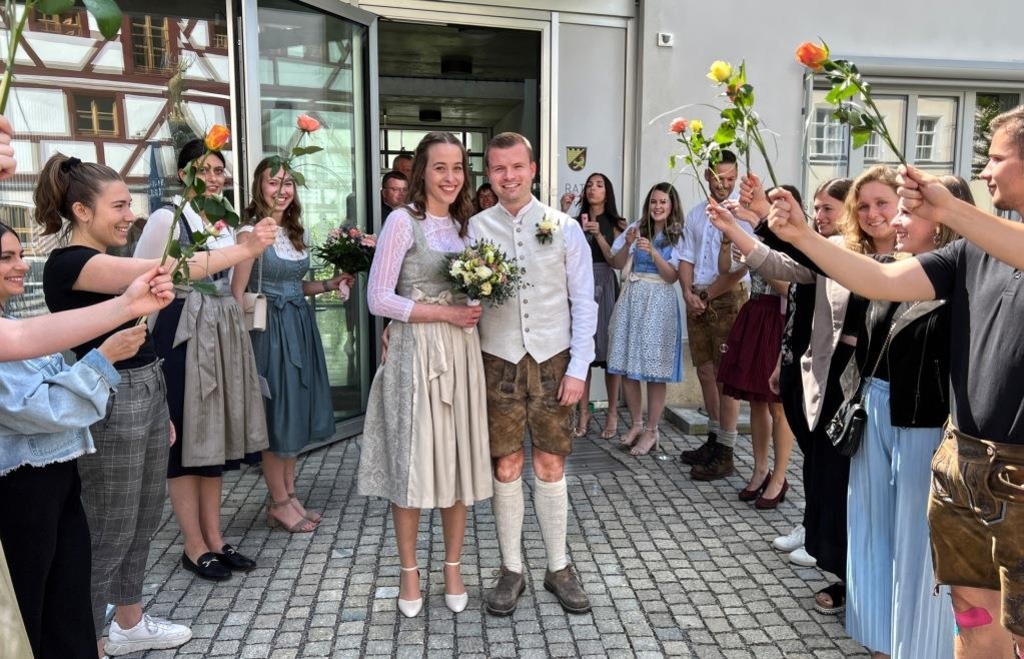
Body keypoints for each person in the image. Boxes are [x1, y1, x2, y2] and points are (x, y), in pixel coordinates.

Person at [768, 105, 1024, 659]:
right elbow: (879, 279)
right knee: (972, 617)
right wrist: (802, 238)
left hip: (1020, 476)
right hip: (966, 461)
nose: (985, 170)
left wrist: (950, 205)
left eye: (996, 158)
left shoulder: (985, 238)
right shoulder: (968, 254)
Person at [36, 152, 273, 657]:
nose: (129, 215)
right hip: (108, 399)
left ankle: (129, 621)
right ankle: (90, 637)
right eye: (118, 205)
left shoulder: (99, 258)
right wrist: (245, 247)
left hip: (145, 386)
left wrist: (160, 405)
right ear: (81, 211)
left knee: (143, 517)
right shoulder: (72, 263)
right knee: (109, 522)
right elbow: (173, 267)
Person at [723, 167, 897, 618]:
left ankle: (880, 583)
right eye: (865, 206)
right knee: (833, 479)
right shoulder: (840, 250)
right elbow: (785, 261)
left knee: (874, 488)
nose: (872, 214)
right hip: (839, 376)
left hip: (890, 383)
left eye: (882, 204)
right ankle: (846, 575)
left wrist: (762, 216)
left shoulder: (916, 255)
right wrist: (752, 223)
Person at [357, 132, 492, 618]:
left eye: (457, 167)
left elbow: (478, 294)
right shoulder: (401, 222)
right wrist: (444, 315)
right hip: (418, 353)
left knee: (455, 463)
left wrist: (476, 303)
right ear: (422, 173)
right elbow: (378, 298)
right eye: (440, 168)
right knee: (413, 463)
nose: (451, 177)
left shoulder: (468, 228)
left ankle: (453, 567)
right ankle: (409, 571)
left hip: (460, 355)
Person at [0, 221, 149, 659]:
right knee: (31, 612)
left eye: (19, 254)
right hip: (18, 489)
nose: (21, 265)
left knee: (66, 605)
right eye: (6, 257)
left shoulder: (12, 322)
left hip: (56, 479)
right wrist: (104, 358)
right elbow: (37, 410)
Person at [135, 139, 273, 581]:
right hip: (181, 328)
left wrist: (250, 247)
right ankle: (192, 545)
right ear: (183, 175)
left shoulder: (226, 219)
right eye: (204, 170)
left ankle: (215, 537)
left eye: (219, 170)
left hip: (220, 327)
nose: (214, 178)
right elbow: (144, 279)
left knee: (213, 436)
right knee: (185, 435)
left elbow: (234, 285)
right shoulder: (167, 217)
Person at [472, 132, 597, 616]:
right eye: (499, 169)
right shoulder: (475, 229)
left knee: (551, 464)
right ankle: (511, 568)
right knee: (505, 465)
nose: (509, 177)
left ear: (534, 168)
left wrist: (580, 369)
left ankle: (559, 566)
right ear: (490, 173)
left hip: (553, 361)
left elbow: (584, 303)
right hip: (495, 362)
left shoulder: (563, 227)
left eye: (517, 167)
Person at [234, 158, 352, 533]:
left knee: (296, 410)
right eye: (274, 183)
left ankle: (288, 494)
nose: (282, 190)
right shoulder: (250, 232)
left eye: (289, 183)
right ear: (259, 187)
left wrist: (328, 285)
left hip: (300, 323)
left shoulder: (292, 230)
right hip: (269, 329)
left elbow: (297, 287)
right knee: (278, 416)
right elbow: (238, 294)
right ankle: (279, 502)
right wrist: (241, 348)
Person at [769, 177, 851, 557]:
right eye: (815, 208)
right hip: (796, 357)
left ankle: (822, 534)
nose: (819, 216)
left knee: (824, 459)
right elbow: (793, 304)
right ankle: (811, 525)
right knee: (813, 456)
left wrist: (754, 220)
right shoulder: (817, 251)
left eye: (826, 208)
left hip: (826, 369)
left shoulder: (843, 255)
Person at [714, 187, 801, 509]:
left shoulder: (795, 242)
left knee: (777, 404)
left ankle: (780, 476)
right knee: (756, 402)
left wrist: (758, 258)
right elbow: (726, 272)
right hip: (755, 314)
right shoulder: (760, 236)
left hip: (778, 320)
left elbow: (789, 289)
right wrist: (731, 243)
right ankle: (760, 468)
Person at [676, 149, 750, 480]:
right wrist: (688, 293)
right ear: (707, 175)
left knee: (726, 376)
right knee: (705, 370)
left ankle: (727, 451)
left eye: (731, 179)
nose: (725, 185)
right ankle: (713, 437)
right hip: (699, 297)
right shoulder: (695, 213)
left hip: (728, 298)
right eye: (720, 178)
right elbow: (685, 258)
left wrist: (705, 295)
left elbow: (742, 268)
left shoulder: (742, 216)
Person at [605, 182, 684, 455]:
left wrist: (653, 252)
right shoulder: (637, 227)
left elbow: (672, 277)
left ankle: (652, 430)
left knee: (654, 371)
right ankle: (637, 423)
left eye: (663, 202)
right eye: (653, 202)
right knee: (628, 367)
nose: (657, 207)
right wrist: (628, 246)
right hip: (633, 298)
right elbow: (616, 264)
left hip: (659, 300)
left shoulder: (678, 235)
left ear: (672, 205)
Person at [558, 173, 626, 439]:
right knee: (582, 352)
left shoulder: (617, 224)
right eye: (589, 185)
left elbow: (617, 262)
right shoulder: (573, 222)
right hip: (580, 286)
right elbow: (557, 248)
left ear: (607, 192)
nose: (593, 189)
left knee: (610, 356)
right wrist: (563, 211)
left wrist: (599, 236)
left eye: (599, 185)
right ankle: (582, 413)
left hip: (606, 284)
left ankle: (611, 413)